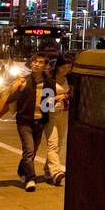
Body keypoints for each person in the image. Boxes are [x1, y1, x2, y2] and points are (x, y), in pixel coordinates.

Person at [0, 54, 52, 191]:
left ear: (45, 66)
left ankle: (22, 170)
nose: (37, 64)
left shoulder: (49, 82)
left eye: (40, 62)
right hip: (24, 120)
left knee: (33, 151)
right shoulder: (24, 81)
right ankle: (30, 179)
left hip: (40, 121)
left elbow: (48, 106)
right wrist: (19, 89)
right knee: (29, 151)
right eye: (35, 61)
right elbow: (10, 99)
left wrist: (51, 102)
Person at [42, 54, 74, 186]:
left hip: (64, 113)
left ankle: (47, 170)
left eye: (69, 67)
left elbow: (74, 93)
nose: (66, 70)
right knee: (52, 143)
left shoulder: (70, 79)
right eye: (64, 67)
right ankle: (56, 172)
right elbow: (44, 103)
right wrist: (54, 98)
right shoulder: (50, 80)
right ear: (58, 66)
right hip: (51, 114)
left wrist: (65, 96)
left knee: (59, 143)